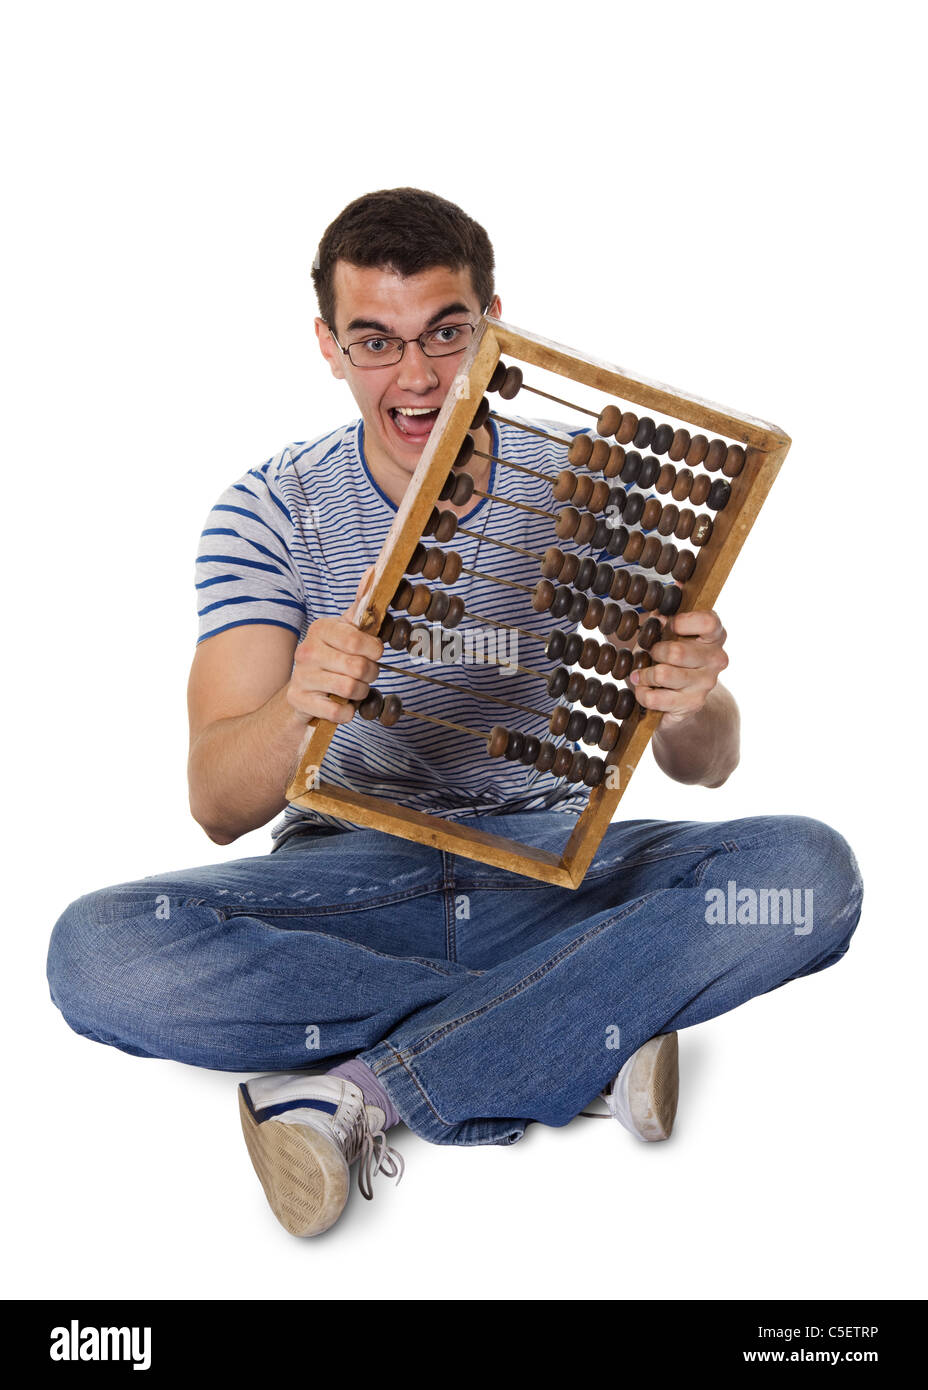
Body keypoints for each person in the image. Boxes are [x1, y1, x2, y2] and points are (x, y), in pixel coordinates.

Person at [47, 187, 863, 1239]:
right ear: (328, 348)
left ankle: (365, 1091)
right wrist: (299, 703)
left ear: (491, 322)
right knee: (98, 951)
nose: (418, 375)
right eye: (374, 341)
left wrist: (693, 702)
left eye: (446, 331)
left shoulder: (593, 486)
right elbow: (214, 801)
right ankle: (577, 1036)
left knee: (805, 878)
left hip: (559, 862)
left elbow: (704, 766)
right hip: (347, 873)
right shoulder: (269, 510)